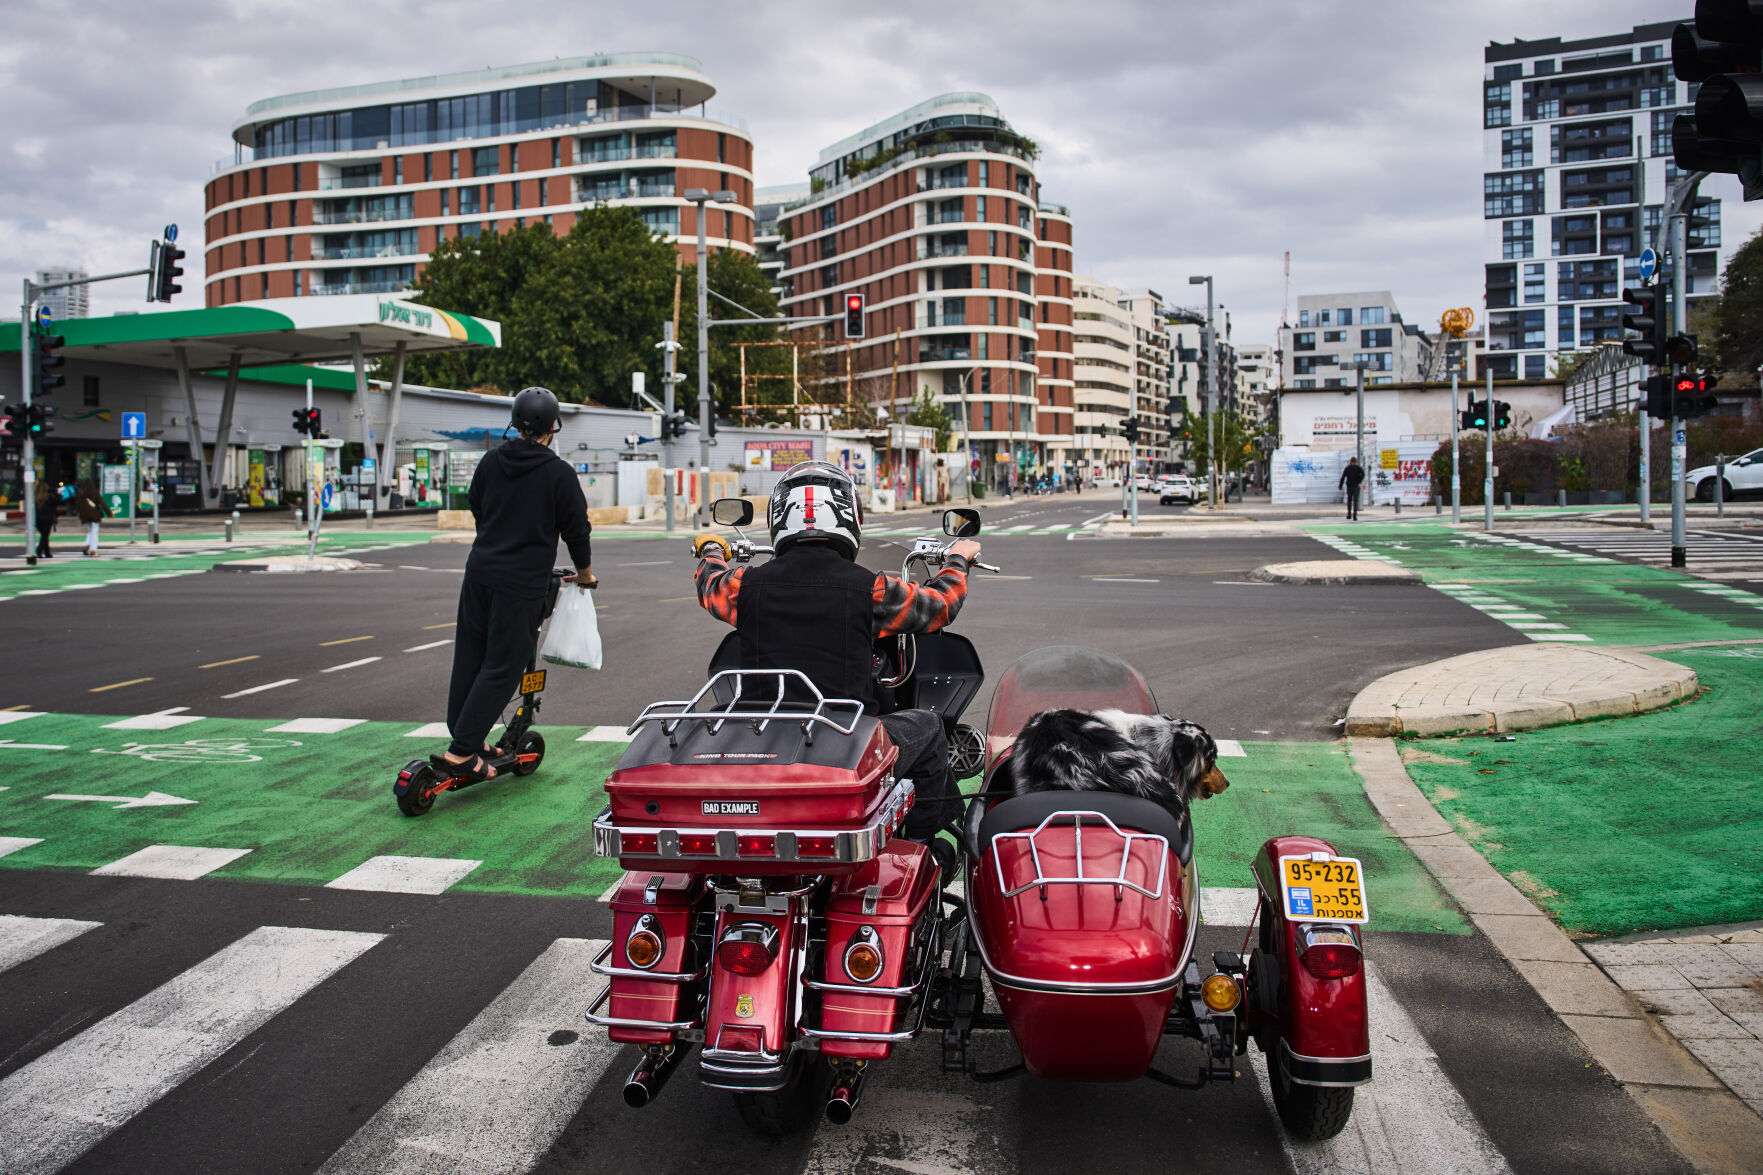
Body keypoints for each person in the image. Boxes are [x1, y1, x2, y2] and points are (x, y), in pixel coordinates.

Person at [692, 461, 981, 841]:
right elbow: (941, 605)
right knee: (927, 728)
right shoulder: (870, 589)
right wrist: (958, 559)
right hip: (844, 741)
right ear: (850, 516)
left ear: (778, 519)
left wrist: (714, 550)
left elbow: (708, 582)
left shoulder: (745, 586)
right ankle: (925, 846)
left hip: (763, 738)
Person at [439, 387, 595, 781]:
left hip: (479, 574)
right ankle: (461, 753)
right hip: (521, 582)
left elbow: (477, 504)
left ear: (515, 422)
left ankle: (467, 737)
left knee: (470, 657)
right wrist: (586, 573)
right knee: (504, 666)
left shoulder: (491, 461)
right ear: (553, 426)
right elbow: (577, 530)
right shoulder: (558, 473)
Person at [74, 478, 110, 557]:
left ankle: (87, 546)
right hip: (95, 515)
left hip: (85, 516)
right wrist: (109, 513)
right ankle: (93, 550)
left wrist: (80, 515)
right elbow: (102, 503)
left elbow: (78, 506)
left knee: (90, 531)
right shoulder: (95, 492)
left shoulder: (80, 493)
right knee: (94, 532)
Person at [33, 480, 56, 559]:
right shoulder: (49, 498)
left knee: (44, 536)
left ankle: (47, 552)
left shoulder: (35, 498)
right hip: (47, 519)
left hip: (38, 519)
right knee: (45, 536)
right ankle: (39, 551)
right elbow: (56, 503)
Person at [1339, 456, 1365, 521]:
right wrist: (1359, 482)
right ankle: (1355, 516)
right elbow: (1363, 475)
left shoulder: (1347, 468)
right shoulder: (1359, 468)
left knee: (1349, 500)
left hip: (1349, 486)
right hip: (1356, 486)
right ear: (1356, 462)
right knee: (1355, 501)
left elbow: (1343, 477)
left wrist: (1340, 486)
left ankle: (1349, 514)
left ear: (1351, 461)